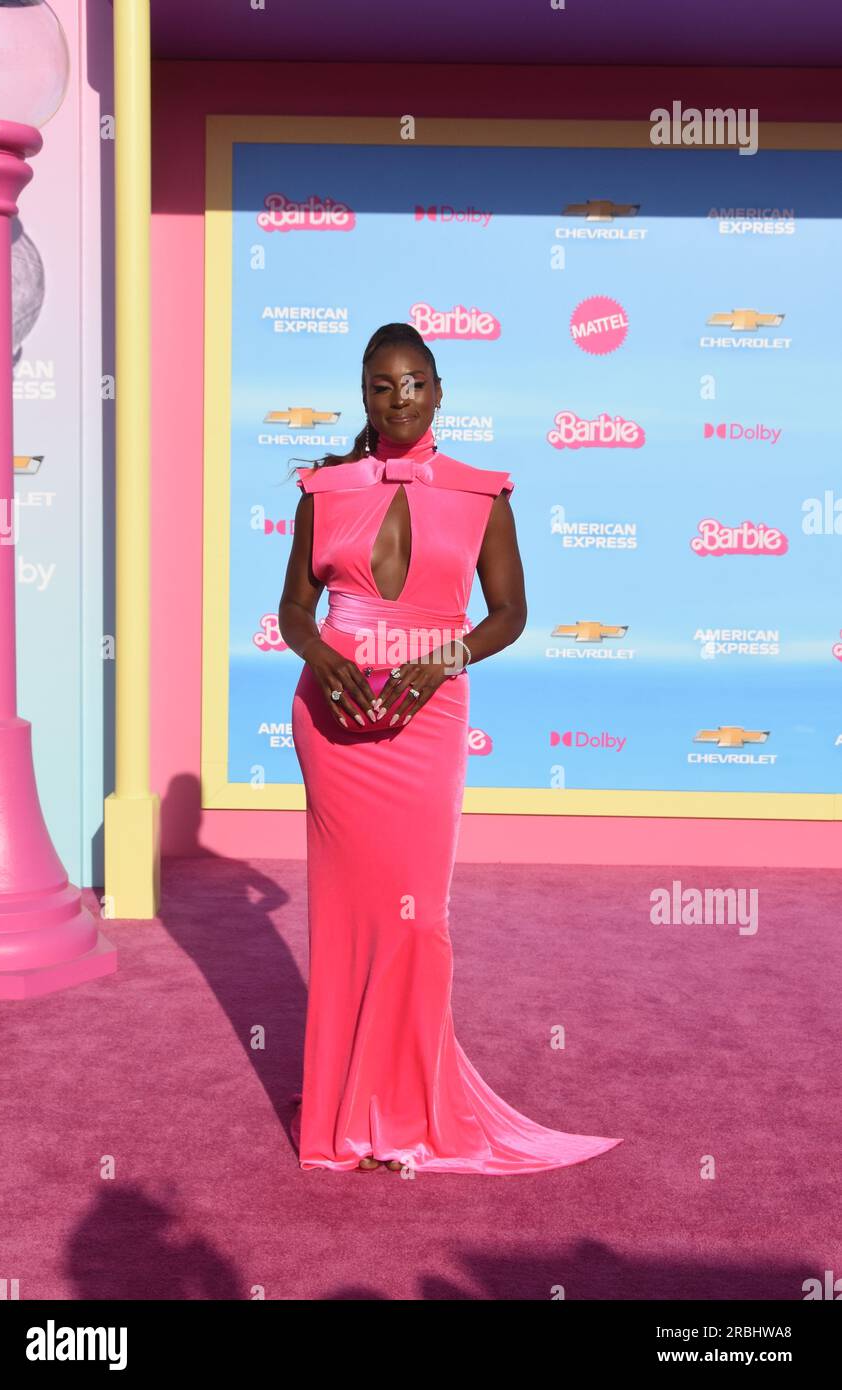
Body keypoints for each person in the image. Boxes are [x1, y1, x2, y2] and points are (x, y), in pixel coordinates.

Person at [278, 322, 623, 1174]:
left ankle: (404, 1111)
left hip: (426, 719)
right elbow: (293, 610)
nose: (399, 401)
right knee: (347, 915)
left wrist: (438, 666)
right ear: (362, 395)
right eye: (382, 387)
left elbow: (508, 613)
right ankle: (346, 1114)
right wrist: (322, 660)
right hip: (332, 719)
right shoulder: (321, 490)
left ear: (440, 390)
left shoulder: (482, 493)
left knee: (418, 918)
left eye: (415, 384)